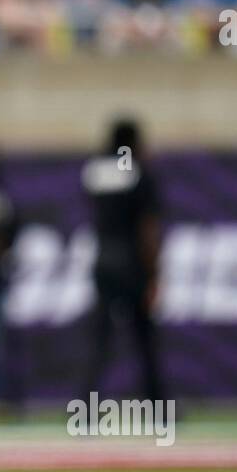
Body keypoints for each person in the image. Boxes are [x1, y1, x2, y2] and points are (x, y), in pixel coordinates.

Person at [81, 118, 166, 402]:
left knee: (99, 341)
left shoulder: (95, 171)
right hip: (132, 263)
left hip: (103, 260)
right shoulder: (139, 173)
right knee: (144, 340)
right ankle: (157, 407)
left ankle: (85, 409)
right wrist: (154, 273)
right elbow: (148, 227)